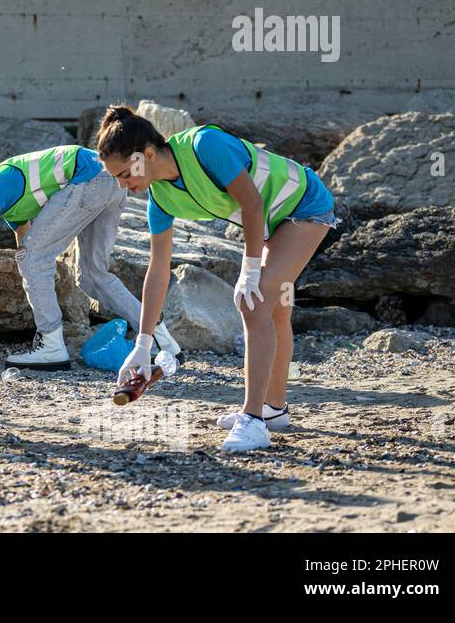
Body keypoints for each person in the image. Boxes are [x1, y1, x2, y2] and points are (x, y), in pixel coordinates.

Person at [95, 105, 338, 452]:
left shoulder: (204, 145)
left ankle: (253, 422)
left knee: (254, 302)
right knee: (274, 311)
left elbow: (252, 205)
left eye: (123, 174)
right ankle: (273, 410)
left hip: (304, 206)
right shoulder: (160, 199)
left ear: (147, 155)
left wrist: (250, 271)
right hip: (271, 222)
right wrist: (143, 344)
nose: (122, 184)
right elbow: (158, 269)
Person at [0, 146, 180, 369]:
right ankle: (158, 338)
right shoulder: (11, 207)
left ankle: (51, 344)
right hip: (113, 182)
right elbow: (28, 246)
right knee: (92, 275)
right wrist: (29, 262)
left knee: (31, 259)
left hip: (88, 180)